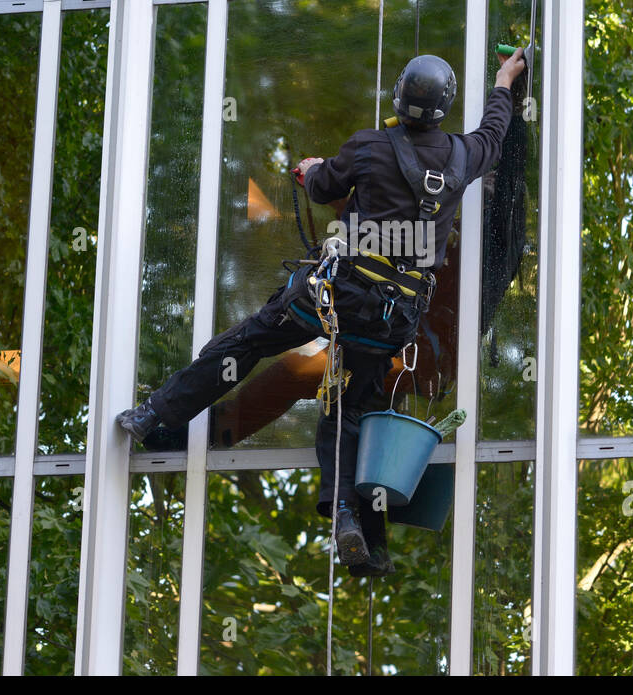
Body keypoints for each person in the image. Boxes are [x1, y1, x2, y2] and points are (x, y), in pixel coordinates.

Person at [117, 48, 526, 576]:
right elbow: (494, 134)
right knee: (348, 411)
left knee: (247, 344)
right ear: (444, 110)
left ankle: (155, 415)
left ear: (398, 97)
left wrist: (311, 170)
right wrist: (503, 82)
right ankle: (346, 521)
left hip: (335, 298)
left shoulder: (370, 148)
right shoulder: (463, 157)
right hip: (391, 321)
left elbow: (323, 186)